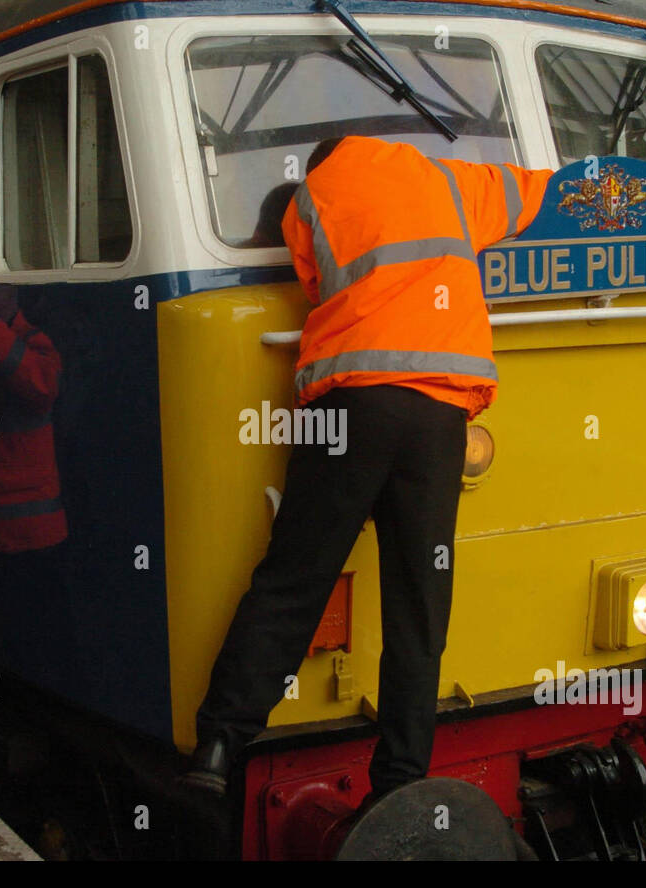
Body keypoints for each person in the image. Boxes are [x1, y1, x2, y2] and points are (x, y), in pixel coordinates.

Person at [184, 136, 553, 799]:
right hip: (439, 417)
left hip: (351, 406)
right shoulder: (450, 179)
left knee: (293, 579)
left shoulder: (309, 202)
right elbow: (541, 193)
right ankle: (400, 783)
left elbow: (315, 284)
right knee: (418, 604)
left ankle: (218, 744)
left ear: (320, 163)